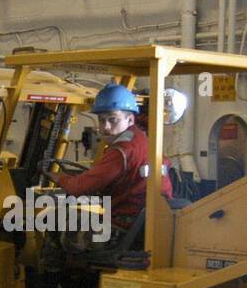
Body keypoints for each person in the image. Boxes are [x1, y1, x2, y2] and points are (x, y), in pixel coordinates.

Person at [53, 83, 172, 237]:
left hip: (124, 225)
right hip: (149, 221)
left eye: (113, 120)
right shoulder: (144, 141)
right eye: (102, 120)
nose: (106, 127)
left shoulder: (121, 151)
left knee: (57, 219)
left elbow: (78, 188)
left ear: (130, 119)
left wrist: (57, 177)